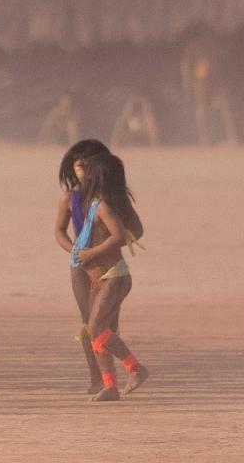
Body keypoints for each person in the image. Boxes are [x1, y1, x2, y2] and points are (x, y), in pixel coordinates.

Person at [57, 144, 149, 400]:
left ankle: (135, 368)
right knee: (96, 328)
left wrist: (91, 253)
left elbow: (121, 235)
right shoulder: (87, 203)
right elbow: (60, 232)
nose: (84, 173)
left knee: (97, 326)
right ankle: (109, 385)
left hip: (113, 275)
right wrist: (78, 253)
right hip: (93, 274)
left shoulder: (105, 207)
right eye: (80, 166)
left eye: (89, 169)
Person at [179, 37, 237, 145]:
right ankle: (204, 139)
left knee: (225, 107)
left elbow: (222, 60)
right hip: (201, 81)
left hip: (216, 81)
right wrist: (188, 83)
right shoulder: (193, 46)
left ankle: (232, 138)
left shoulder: (216, 43)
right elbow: (185, 65)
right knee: (201, 109)